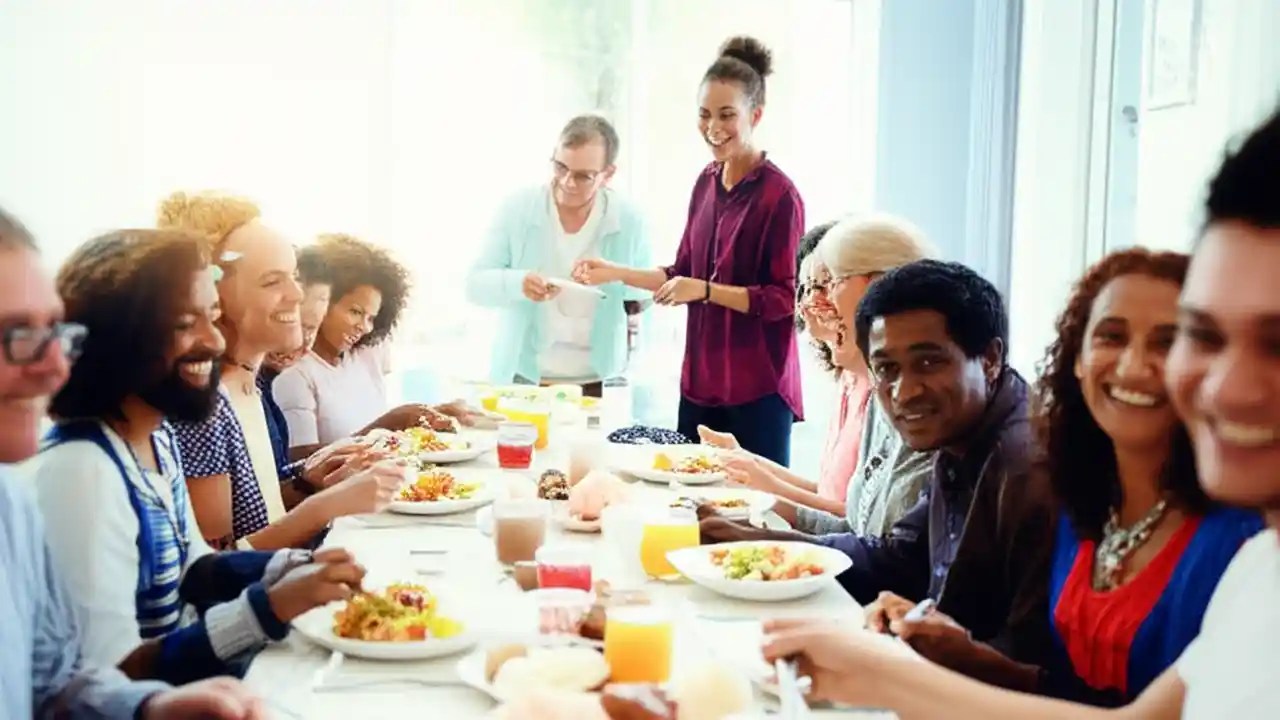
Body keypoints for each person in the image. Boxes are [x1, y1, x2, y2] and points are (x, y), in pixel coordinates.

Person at [759, 107, 1280, 718]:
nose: (1226, 387)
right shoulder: (1260, 566)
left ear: (991, 359)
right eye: (1208, 335)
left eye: (1275, 343)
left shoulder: (1036, 471)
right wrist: (935, 658)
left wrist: (886, 674)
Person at [868, 248, 1260, 703]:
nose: (1133, 367)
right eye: (1112, 337)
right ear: (1077, 358)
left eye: (1167, 342)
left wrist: (876, 669)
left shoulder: (1242, 540)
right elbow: (1067, 692)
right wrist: (964, 653)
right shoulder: (1083, 502)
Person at [36, 228, 373, 685]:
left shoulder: (155, 437)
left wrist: (295, 568)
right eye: (183, 324)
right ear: (114, 338)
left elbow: (195, 567)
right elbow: (112, 673)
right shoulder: (84, 469)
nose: (214, 341)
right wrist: (270, 608)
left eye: (212, 317)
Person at [704, 259, 1053, 664]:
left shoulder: (1027, 470)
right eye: (887, 369)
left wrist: (932, 656)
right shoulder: (963, 435)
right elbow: (901, 559)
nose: (904, 392)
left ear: (990, 358)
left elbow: (1036, 665)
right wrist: (756, 540)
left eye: (928, 362)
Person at [0, 206, 269, 719]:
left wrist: (153, 709)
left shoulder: (8, 504)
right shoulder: (79, 470)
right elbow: (115, 660)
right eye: (16, 335)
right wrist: (269, 609)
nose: (56, 365)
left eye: (55, 333)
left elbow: (57, 681)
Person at [574, 36, 805, 465]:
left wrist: (702, 290)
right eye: (703, 114)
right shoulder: (705, 182)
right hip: (701, 384)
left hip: (757, 389)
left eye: (726, 115)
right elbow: (682, 272)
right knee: (691, 505)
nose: (712, 127)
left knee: (749, 517)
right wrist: (613, 271)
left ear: (756, 115)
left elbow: (784, 300)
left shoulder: (780, 196)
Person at [158, 191, 403, 550]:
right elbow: (217, 567)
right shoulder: (204, 409)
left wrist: (308, 478)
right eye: (272, 281)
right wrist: (324, 506)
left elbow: (260, 510)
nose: (296, 295)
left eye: (293, 276)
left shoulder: (249, 385)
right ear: (210, 294)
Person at [700, 215, 936, 534]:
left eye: (829, 283)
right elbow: (858, 522)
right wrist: (753, 472)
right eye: (809, 289)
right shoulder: (867, 386)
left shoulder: (912, 404)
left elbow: (874, 543)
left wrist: (767, 489)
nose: (813, 305)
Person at [466, 114, 650, 397]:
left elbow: (645, 298)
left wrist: (615, 276)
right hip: (523, 379)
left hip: (597, 382)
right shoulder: (518, 208)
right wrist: (518, 283)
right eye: (560, 167)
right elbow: (474, 285)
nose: (567, 182)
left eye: (583, 176)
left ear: (608, 174)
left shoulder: (629, 220)